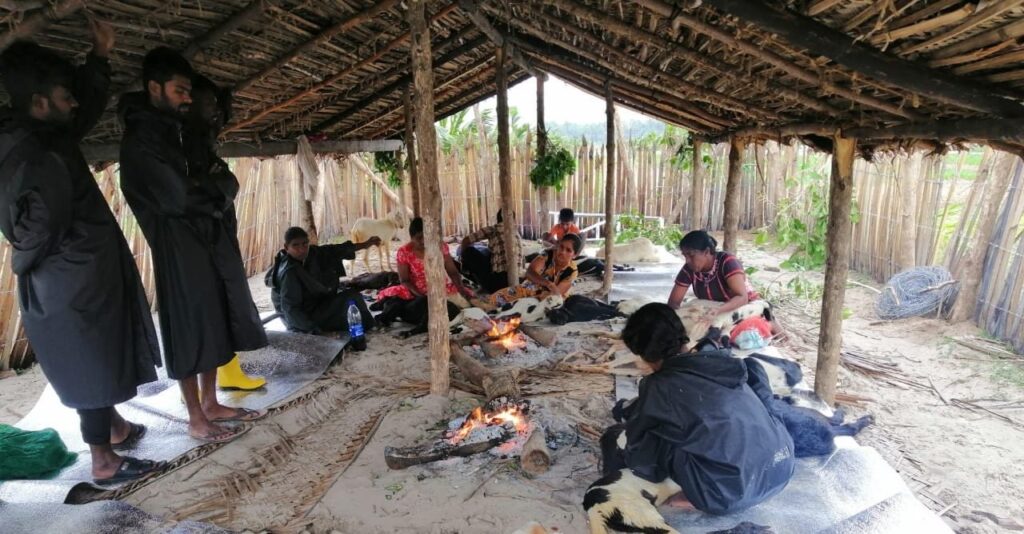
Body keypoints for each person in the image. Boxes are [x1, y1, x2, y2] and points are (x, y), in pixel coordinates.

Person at [0, 21, 165, 484]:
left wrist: (99, 57)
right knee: (91, 361)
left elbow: (79, 113)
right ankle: (104, 462)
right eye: (64, 96)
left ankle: (114, 429)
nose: (73, 103)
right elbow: (40, 224)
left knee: (94, 356)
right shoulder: (39, 155)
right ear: (39, 102)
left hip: (65, 276)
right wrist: (30, 258)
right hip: (70, 278)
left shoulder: (31, 134)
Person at [119, 47, 268, 444]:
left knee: (212, 321)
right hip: (176, 247)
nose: (187, 99)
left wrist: (211, 191)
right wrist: (212, 193)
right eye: (181, 91)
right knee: (187, 330)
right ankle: (196, 418)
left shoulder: (177, 133)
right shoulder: (142, 140)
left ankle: (211, 401)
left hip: (200, 239)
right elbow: (181, 198)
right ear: (154, 88)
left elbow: (224, 181)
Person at [614, 303, 794, 515]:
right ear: (681, 334)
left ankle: (698, 491)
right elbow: (758, 383)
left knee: (656, 440)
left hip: (729, 494)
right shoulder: (721, 358)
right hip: (783, 465)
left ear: (643, 354)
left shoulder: (658, 387)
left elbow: (643, 460)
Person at [184, 73, 265, 391]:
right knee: (220, 304)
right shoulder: (186, 144)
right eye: (207, 104)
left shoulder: (199, 137)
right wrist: (223, 189)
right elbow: (211, 188)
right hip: (206, 234)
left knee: (226, 302)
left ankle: (227, 372)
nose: (214, 111)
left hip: (215, 228)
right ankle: (225, 375)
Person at [266, 227, 381, 334]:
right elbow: (290, 309)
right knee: (351, 302)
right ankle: (369, 326)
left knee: (352, 300)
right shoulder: (289, 272)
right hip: (302, 319)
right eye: (295, 246)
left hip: (315, 305)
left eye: (305, 244)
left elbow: (336, 250)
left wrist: (366, 244)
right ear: (286, 247)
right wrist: (314, 331)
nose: (301, 249)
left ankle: (369, 325)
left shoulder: (312, 253)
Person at [667, 230, 783, 337]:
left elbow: (742, 297)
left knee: (735, 332)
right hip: (714, 307)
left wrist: (719, 310)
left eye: (691, 255)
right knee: (691, 320)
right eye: (685, 256)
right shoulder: (689, 268)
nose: (687, 260)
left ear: (707, 252)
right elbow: (673, 302)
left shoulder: (727, 262)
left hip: (743, 306)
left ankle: (768, 324)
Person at [377, 217, 475, 304]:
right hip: (415, 290)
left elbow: (453, 272)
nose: (423, 241)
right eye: (419, 238)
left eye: (426, 237)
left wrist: (462, 290)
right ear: (412, 238)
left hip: (440, 288)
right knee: (388, 295)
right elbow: (405, 280)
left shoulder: (440, 247)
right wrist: (421, 296)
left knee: (468, 297)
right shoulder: (404, 252)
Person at [475, 233, 581, 310]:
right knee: (517, 291)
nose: (562, 252)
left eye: (568, 250)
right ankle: (488, 304)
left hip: (550, 297)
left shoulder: (572, 271)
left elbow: (557, 293)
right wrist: (548, 283)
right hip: (534, 287)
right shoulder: (547, 255)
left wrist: (548, 290)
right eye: (561, 247)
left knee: (537, 304)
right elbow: (530, 272)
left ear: (575, 255)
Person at [458, 209, 522, 293]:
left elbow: (465, 241)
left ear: (498, 219)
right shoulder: (516, 233)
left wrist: (462, 258)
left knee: (469, 252)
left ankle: (472, 278)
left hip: (499, 284)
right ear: (513, 220)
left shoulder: (494, 229)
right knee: (488, 253)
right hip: (518, 280)